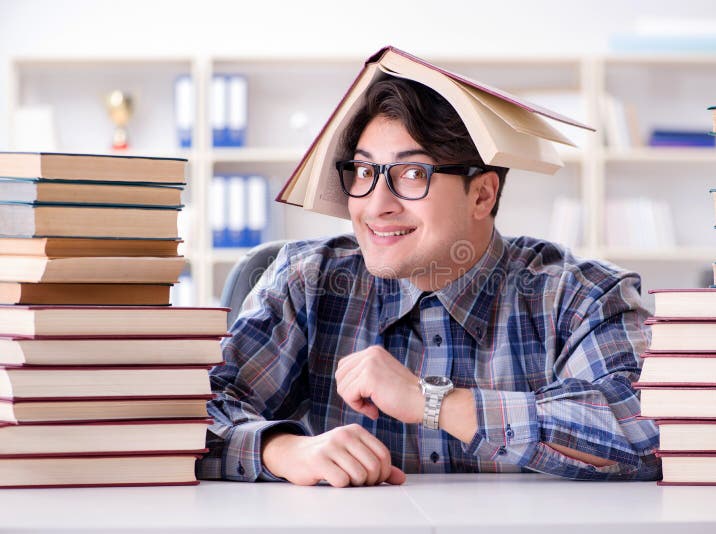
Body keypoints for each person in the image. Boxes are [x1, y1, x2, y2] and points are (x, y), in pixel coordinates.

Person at [197, 77, 661, 487]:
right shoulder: (309, 280)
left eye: (412, 174)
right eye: (364, 171)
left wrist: (432, 401)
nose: (376, 205)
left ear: (482, 194)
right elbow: (193, 410)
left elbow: (645, 432)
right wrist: (282, 450)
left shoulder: (581, 295)